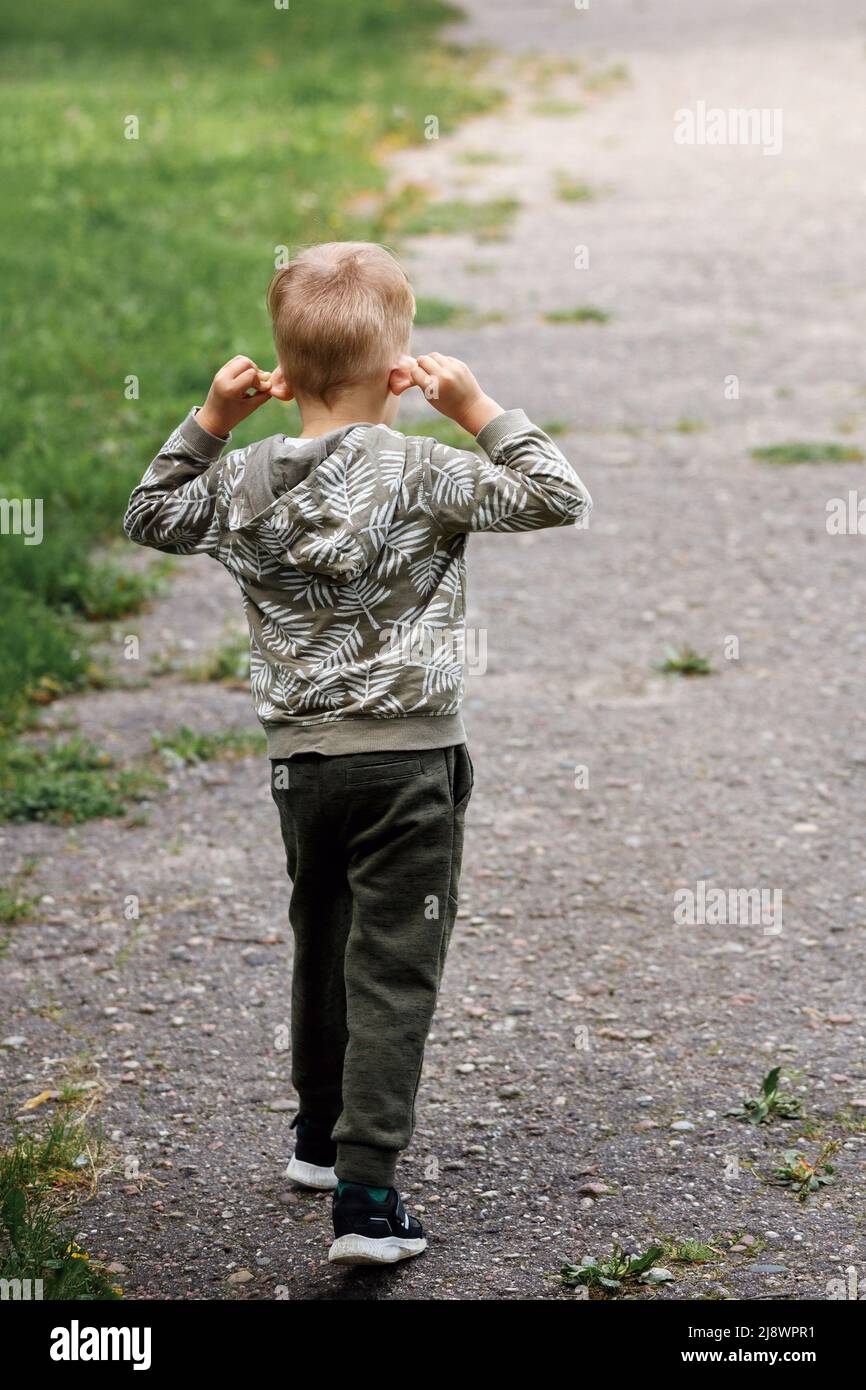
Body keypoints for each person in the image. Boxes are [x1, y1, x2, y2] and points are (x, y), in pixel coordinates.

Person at [123, 241, 592, 1265]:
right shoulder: (425, 469)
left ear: (280, 377)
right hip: (411, 765)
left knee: (322, 938)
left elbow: (147, 513)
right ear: (400, 372)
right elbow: (558, 494)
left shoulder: (241, 479)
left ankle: (314, 1137)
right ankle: (368, 1195)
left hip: (304, 767)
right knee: (391, 966)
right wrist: (478, 411)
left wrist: (210, 422)